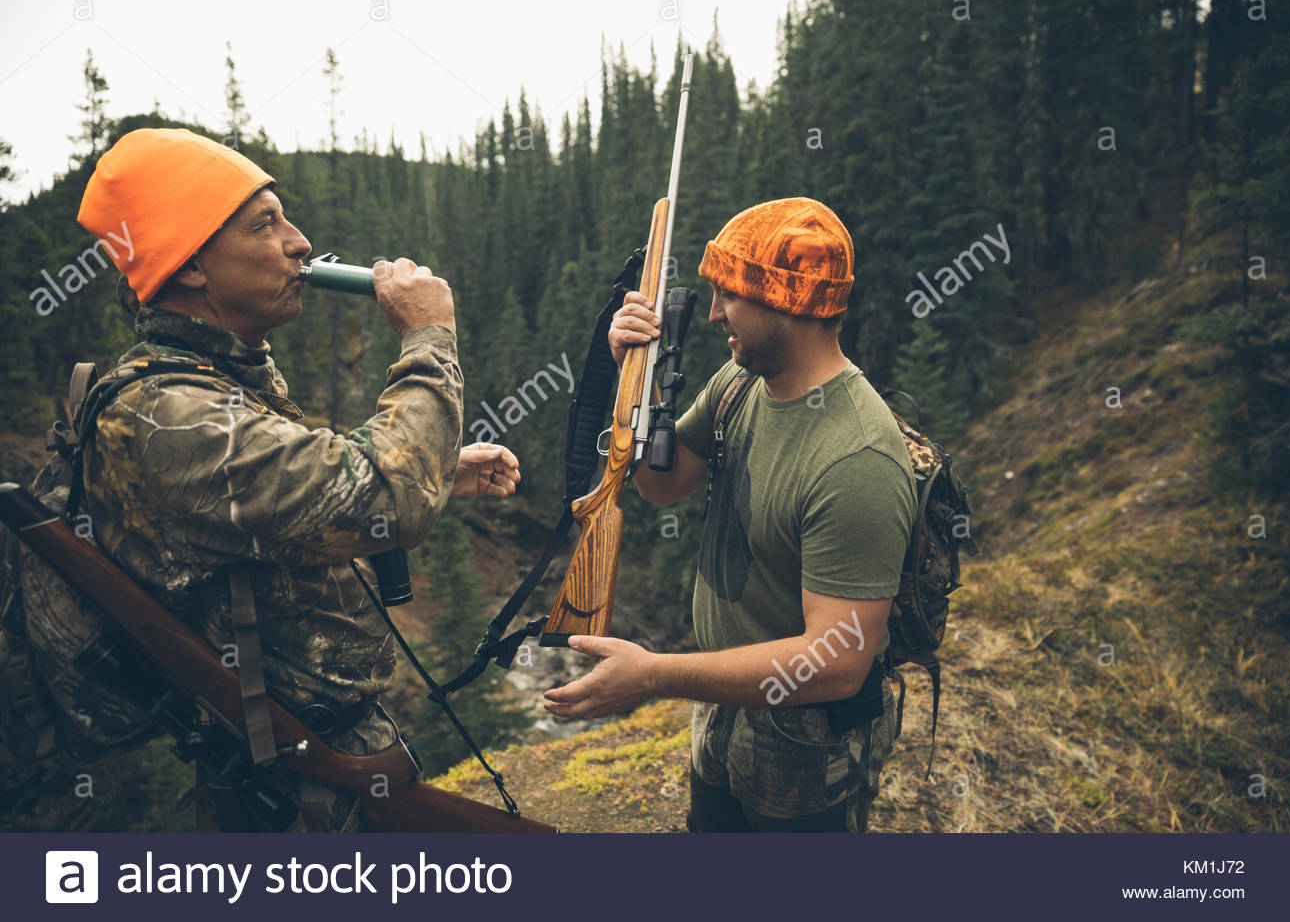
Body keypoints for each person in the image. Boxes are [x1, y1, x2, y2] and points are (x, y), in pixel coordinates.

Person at [74, 127, 520, 831]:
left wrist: (440, 469)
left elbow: (294, 492)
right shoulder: (171, 413)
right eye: (265, 223)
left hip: (321, 763)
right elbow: (385, 498)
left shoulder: (206, 383)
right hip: (287, 795)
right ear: (189, 267)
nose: (300, 240)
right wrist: (429, 337)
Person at [543, 197, 916, 832]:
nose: (713, 313)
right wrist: (627, 375)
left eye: (729, 295)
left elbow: (837, 661)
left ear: (784, 300)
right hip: (719, 701)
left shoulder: (857, 457)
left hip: (803, 739)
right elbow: (665, 485)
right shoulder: (742, 382)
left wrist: (655, 676)